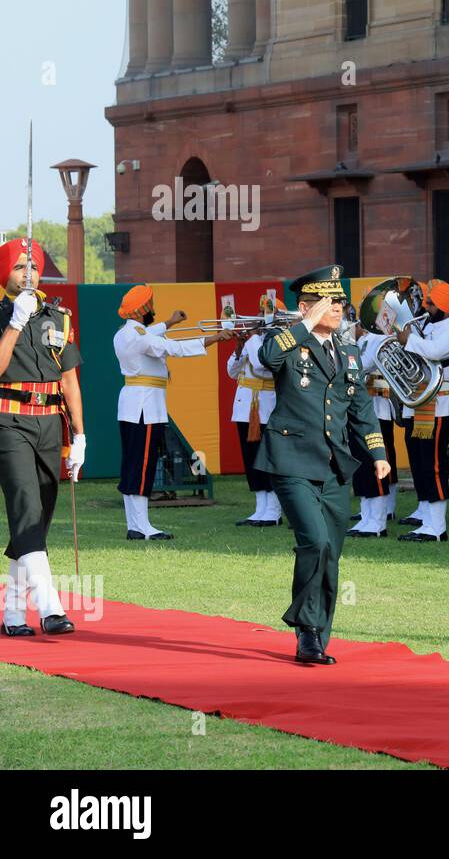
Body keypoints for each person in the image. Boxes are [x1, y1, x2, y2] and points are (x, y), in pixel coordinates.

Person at [255, 264, 390, 665]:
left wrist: (378, 453)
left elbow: (361, 408)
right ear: (308, 306)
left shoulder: (348, 351)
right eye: (331, 303)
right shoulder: (286, 340)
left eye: (341, 302)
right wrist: (303, 324)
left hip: (334, 466)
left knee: (331, 551)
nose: (340, 309)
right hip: (291, 460)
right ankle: (306, 629)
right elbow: (266, 358)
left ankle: (317, 635)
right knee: (314, 540)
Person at [0, 238, 83, 637]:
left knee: (36, 517)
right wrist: (15, 323)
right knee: (25, 507)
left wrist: (81, 436)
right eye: (19, 267)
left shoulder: (58, 318)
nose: (28, 273)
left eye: (33, 266)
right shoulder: (2, 315)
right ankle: (50, 607)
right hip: (8, 420)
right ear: (4, 274)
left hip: (50, 423)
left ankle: (13, 614)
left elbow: (69, 379)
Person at [114, 284, 230, 540]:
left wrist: (170, 322)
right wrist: (213, 339)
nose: (153, 310)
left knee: (133, 465)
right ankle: (142, 526)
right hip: (145, 407)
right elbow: (172, 349)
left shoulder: (127, 333)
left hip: (133, 406)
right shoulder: (140, 337)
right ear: (142, 310)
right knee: (143, 467)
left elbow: (150, 333)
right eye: (150, 306)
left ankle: (135, 525)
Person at [397, 279, 449, 542]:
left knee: (435, 464)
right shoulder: (431, 324)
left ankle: (437, 526)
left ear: (445, 307)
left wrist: (409, 339)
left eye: (430, 303)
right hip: (421, 402)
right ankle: (427, 520)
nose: (425, 306)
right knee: (421, 463)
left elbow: (434, 352)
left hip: (440, 405)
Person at [227, 295, 282, 527]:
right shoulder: (254, 340)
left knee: (267, 459)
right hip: (245, 408)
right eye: (260, 313)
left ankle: (274, 511)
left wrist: (251, 339)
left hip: (265, 407)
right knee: (251, 460)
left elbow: (261, 366)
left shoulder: (276, 340)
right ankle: (260, 509)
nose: (259, 318)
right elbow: (231, 371)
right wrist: (239, 349)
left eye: (264, 314)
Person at [349, 321, 398, 535]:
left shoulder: (380, 338)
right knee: (361, 465)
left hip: (378, 409)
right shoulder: (362, 340)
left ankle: (378, 521)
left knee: (375, 463)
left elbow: (362, 365)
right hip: (361, 409)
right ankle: (367, 516)